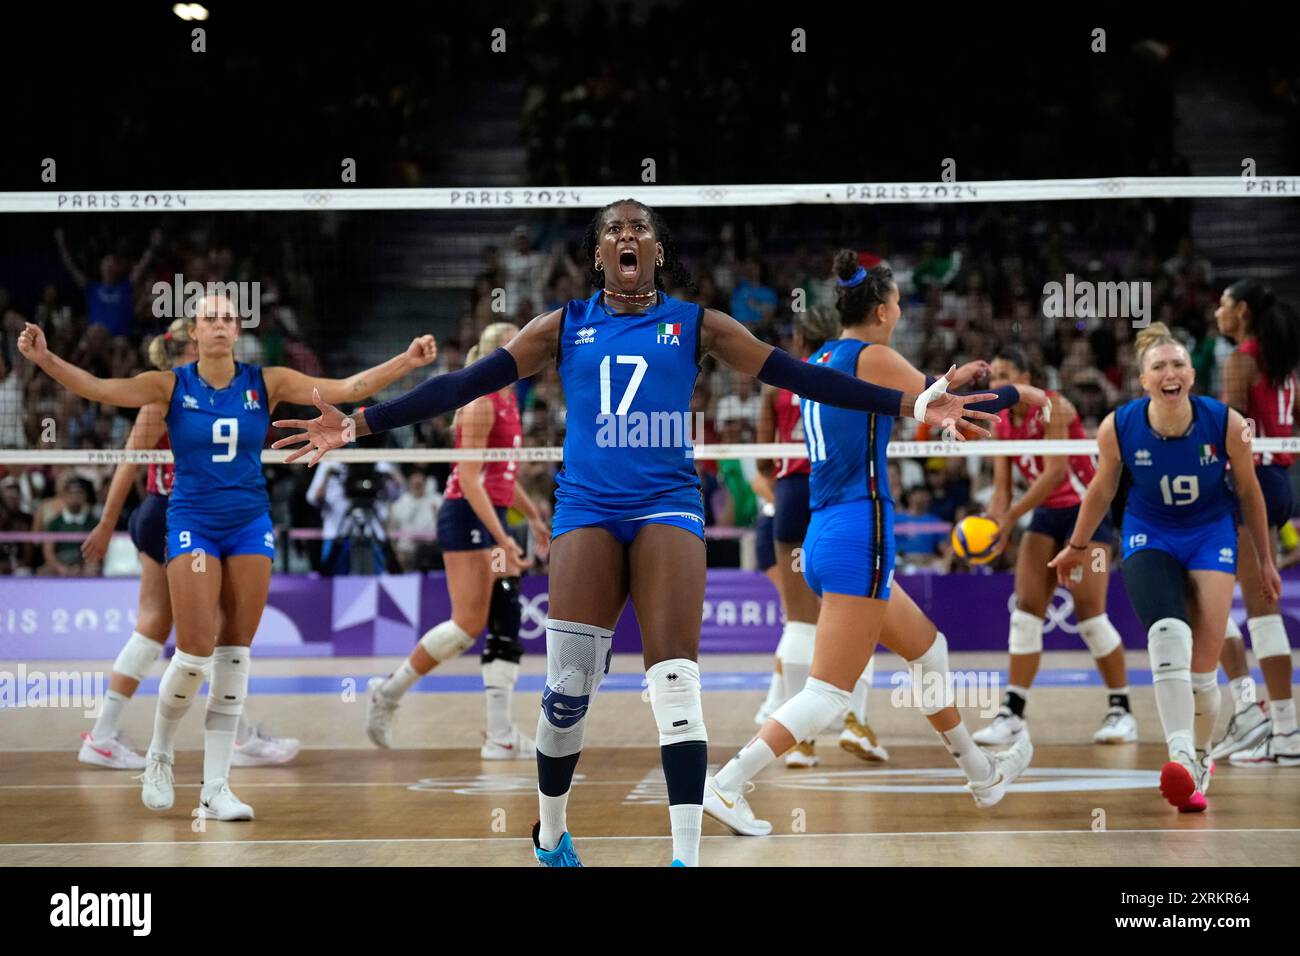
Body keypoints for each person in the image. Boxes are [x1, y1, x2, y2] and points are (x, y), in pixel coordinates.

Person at [271, 200, 1006, 867]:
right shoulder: (561, 325)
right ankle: (552, 835)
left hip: (669, 506)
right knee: (567, 693)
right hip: (587, 510)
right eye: (614, 229)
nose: (627, 235)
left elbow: (797, 376)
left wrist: (913, 405)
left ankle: (685, 857)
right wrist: (360, 421)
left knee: (677, 682)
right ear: (598, 255)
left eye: (640, 228)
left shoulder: (697, 323)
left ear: (657, 249)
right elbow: (464, 384)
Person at [17, 297, 436, 820]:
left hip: (249, 523)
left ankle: (216, 787)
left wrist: (407, 361)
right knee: (192, 653)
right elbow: (101, 390)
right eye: (209, 318)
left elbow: (348, 390)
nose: (219, 325)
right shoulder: (169, 385)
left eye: (227, 318)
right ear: (194, 331)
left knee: (235, 653)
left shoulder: (268, 381)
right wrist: (45, 360)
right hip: (191, 522)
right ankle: (160, 754)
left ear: (238, 330)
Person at [703, 252, 1043, 837]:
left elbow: (927, 395)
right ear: (884, 311)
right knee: (829, 695)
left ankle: (982, 773)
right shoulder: (875, 356)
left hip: (824, 531)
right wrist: (1020, 395)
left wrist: (950, 382)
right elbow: (944, 411)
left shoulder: (822, 358)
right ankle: (727, 784)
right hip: (864, 530)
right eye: (900, 307)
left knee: (928, 652)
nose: (900, 314)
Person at [1049, 322, 1280, 812]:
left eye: (1178, 365)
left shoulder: (1226, 424)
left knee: (1203, 670)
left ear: (1192, 375)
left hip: (1210, 534)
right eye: (1159, 367)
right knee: (1167, 635)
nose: (1170, 373)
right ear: (1144, 380)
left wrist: (1265, 560)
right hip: (1148, 532)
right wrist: (1077, 544)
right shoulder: (1120, 426)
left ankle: (1199, 758)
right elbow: (1103, 489)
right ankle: (1179, 756)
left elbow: (1250, 492)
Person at [77, 319, 299, 770]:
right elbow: (127, 463)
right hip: (174, 516)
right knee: (217, 630)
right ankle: (235, 739)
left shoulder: (218, 393)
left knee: (159, 626)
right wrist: (104, 523)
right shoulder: (167, 393)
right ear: (189, 348)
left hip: (175, 514)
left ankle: (103, 734)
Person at [365, 322, 552, 759]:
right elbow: (469, 481)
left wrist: (532, 515)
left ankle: (501, 734)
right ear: (500, 352)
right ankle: (388, 694)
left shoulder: (508, 399)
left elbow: (501, 473)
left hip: (491, 519)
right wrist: (502, 536)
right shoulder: (480, 404)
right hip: (467, 516)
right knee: (467, 626)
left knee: (506, 616)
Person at [975, 348, 1135, 747]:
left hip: (1087, 514)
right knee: (1025, 613)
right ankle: (1012, 713)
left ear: (1027, 378)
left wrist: (1011, 517)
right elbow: (1001, 486)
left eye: (1005, 374)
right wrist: (995, 526)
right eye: (992, 376)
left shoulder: (1055, 407)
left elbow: (1054, 473)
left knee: (1090, 617)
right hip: (1047, 515)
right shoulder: (999, 420)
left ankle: (1122, 711)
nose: (996, 384)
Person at [753, 304, 887, 766]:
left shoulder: (778, 387)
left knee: (799, 623)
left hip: (790, 494)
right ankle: (857, 723)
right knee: (859, 616)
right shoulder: (852, 374)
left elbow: (762, 462)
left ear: (797, 342)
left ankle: (800, 743)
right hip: (839, 497)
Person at [1207, 279, 1300, 766]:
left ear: (1240, 310)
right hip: (1279, 482)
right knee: (1221, 597)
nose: (1216, 311)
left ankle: (1278, 728)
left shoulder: (1241, 358)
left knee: (1249, 606)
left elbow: (1234, 432)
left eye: (1222, 304)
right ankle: (1266, 722)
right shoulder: (1283, 363)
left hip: (1250, 485)